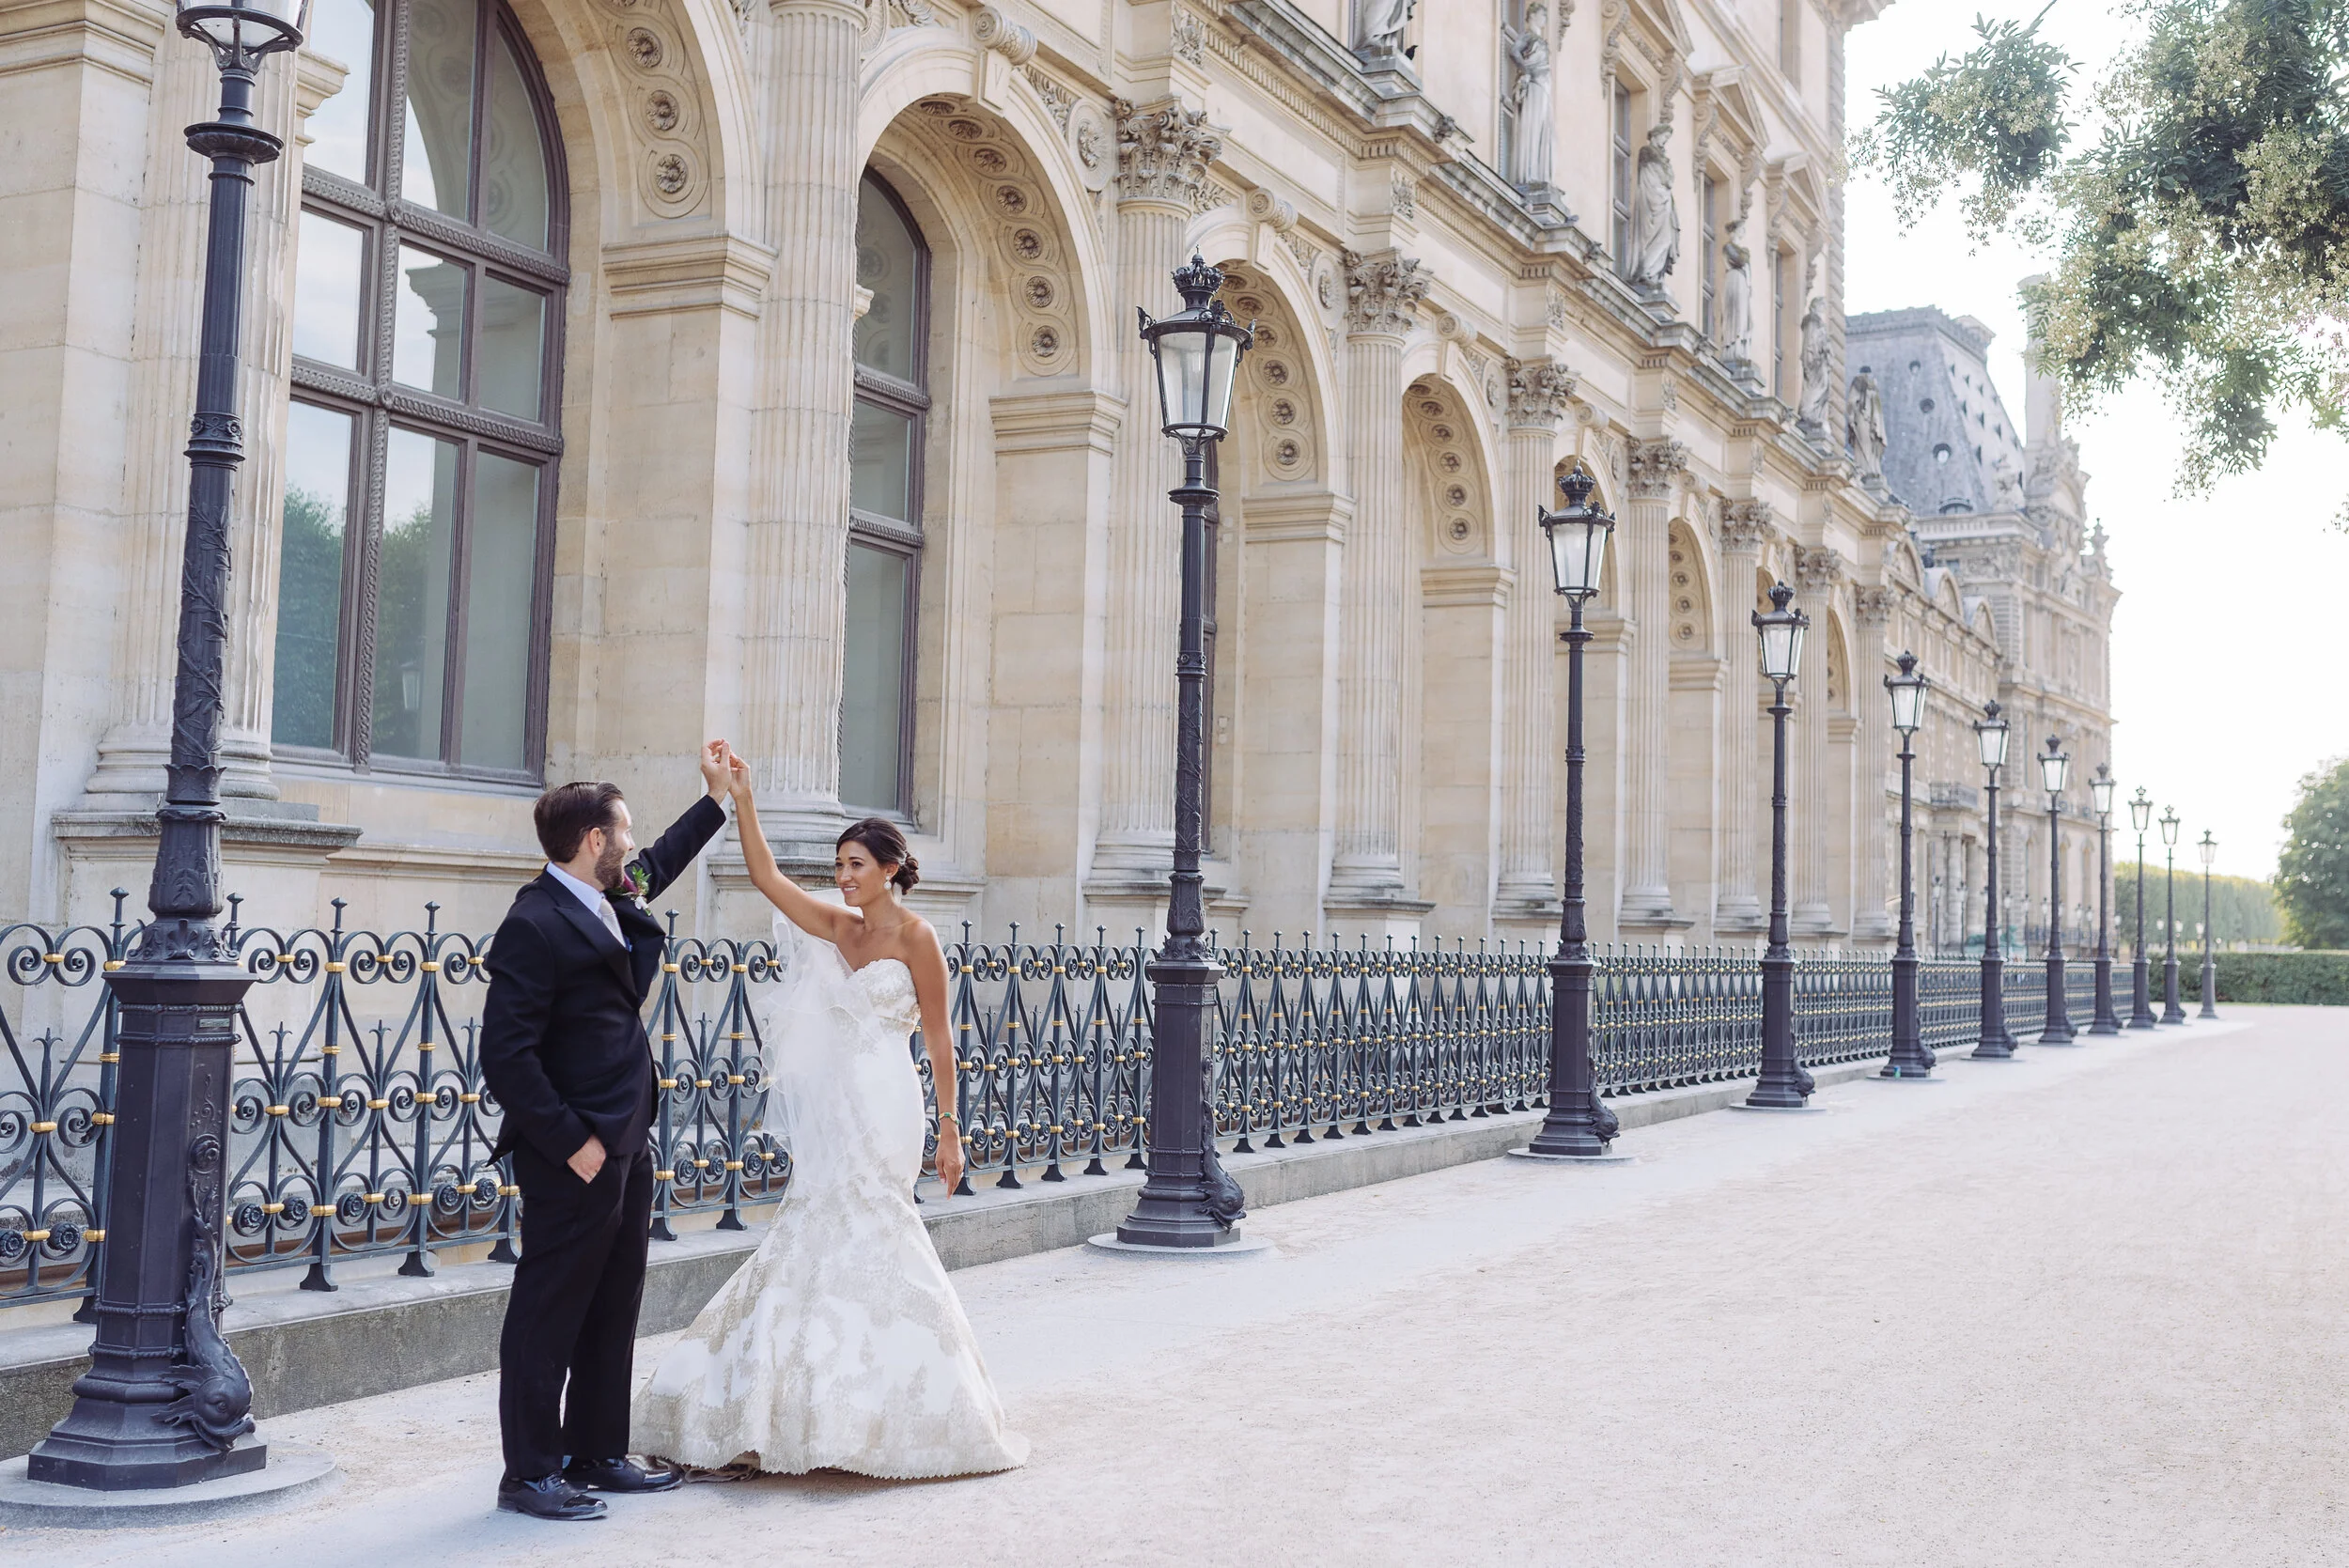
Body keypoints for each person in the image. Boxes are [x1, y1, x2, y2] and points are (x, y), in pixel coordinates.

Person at [631, 749, 1027, 1481]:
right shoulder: (839, 927)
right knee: (813, 1226)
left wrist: (949, 1128)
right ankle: (790, 1409)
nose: (843, 876)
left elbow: (939, 1039)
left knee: (878, 1225)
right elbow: (766, 879)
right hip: (837, 1103)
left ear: (889, 869)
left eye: (855, 864)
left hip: (887, 1101)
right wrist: (742, 800)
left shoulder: (919, 938)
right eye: (840, 863)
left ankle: (907, 1412)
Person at [479, 742, 733, 1521]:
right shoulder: (535, 921)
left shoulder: (609, 895)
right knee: (547, 1310)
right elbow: (506, 1057)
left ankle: (594, 1452)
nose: (631, 841)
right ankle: (529, 1471)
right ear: (593, 839)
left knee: (612, 1304)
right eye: (622, 830)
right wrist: (571, 1142)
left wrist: (716, 801)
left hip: (628, 1138)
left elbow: (661, 860)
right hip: (574, 1152)